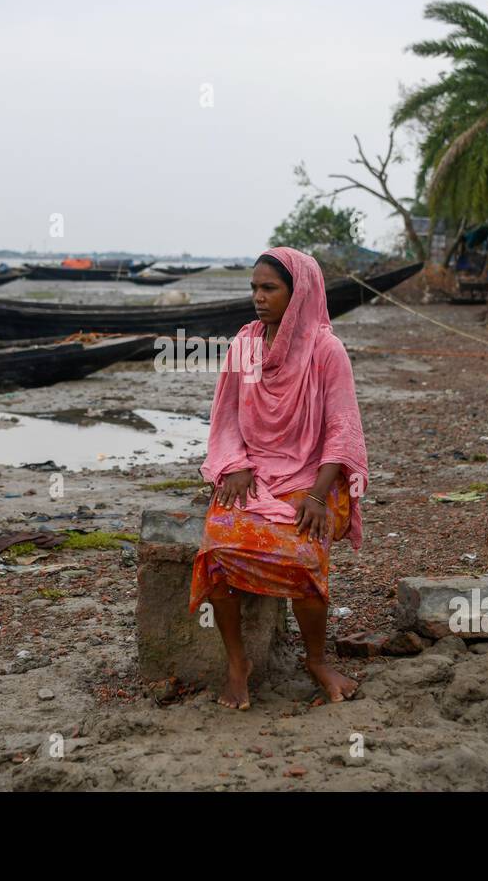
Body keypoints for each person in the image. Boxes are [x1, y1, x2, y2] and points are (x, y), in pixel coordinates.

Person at [189, 246, 368, 709]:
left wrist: (316, 494)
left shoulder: (326, 351)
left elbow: (342, 430)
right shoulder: (245, 346)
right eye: (254, 288)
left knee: (304, 554)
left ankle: (316, 660)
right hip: (251, 472)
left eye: (269, 288)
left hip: (314, 478)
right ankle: (237, 664)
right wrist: (236, 465)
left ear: (298, 292)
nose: (258, 298)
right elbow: (225, 419)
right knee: (217, 545)